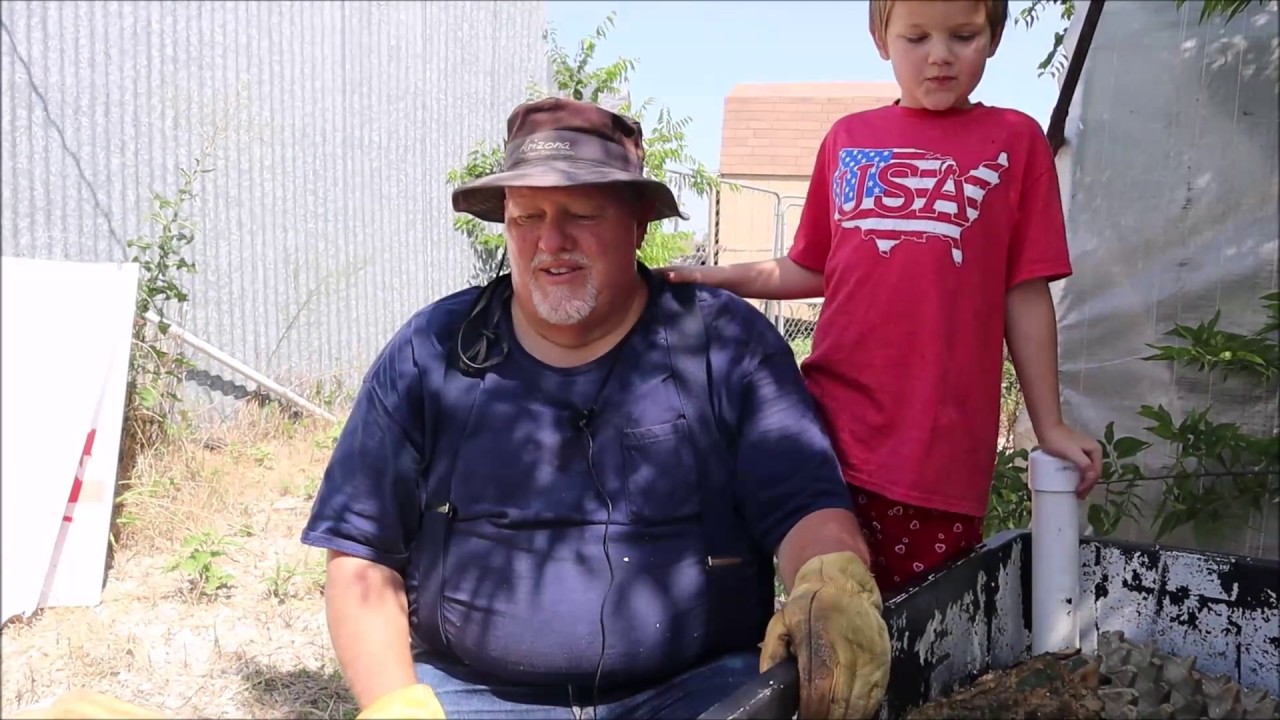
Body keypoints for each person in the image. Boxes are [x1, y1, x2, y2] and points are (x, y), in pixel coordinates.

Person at [300, 97, 892, 720]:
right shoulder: (433, 352)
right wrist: (396, 704)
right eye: (526, 216)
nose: (550, 242)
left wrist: (830, 578)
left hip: (698, 688)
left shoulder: (726, 345)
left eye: (582, 212)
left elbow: (806, 504)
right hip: (472, 694)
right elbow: (361, 558)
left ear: (638, 222)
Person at [662, 0, 1103, 598]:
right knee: (825, 616)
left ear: (995, 36)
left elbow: (1024, 291)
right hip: (825, 436)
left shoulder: (1015, 141)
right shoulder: (847, 139)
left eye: (964, 34)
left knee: (920, 634)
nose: (940, 54)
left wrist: (1046, 423)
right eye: (916, 36)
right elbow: (809, 267)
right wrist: (720, 278)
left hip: (936, 451)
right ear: (880, 37)